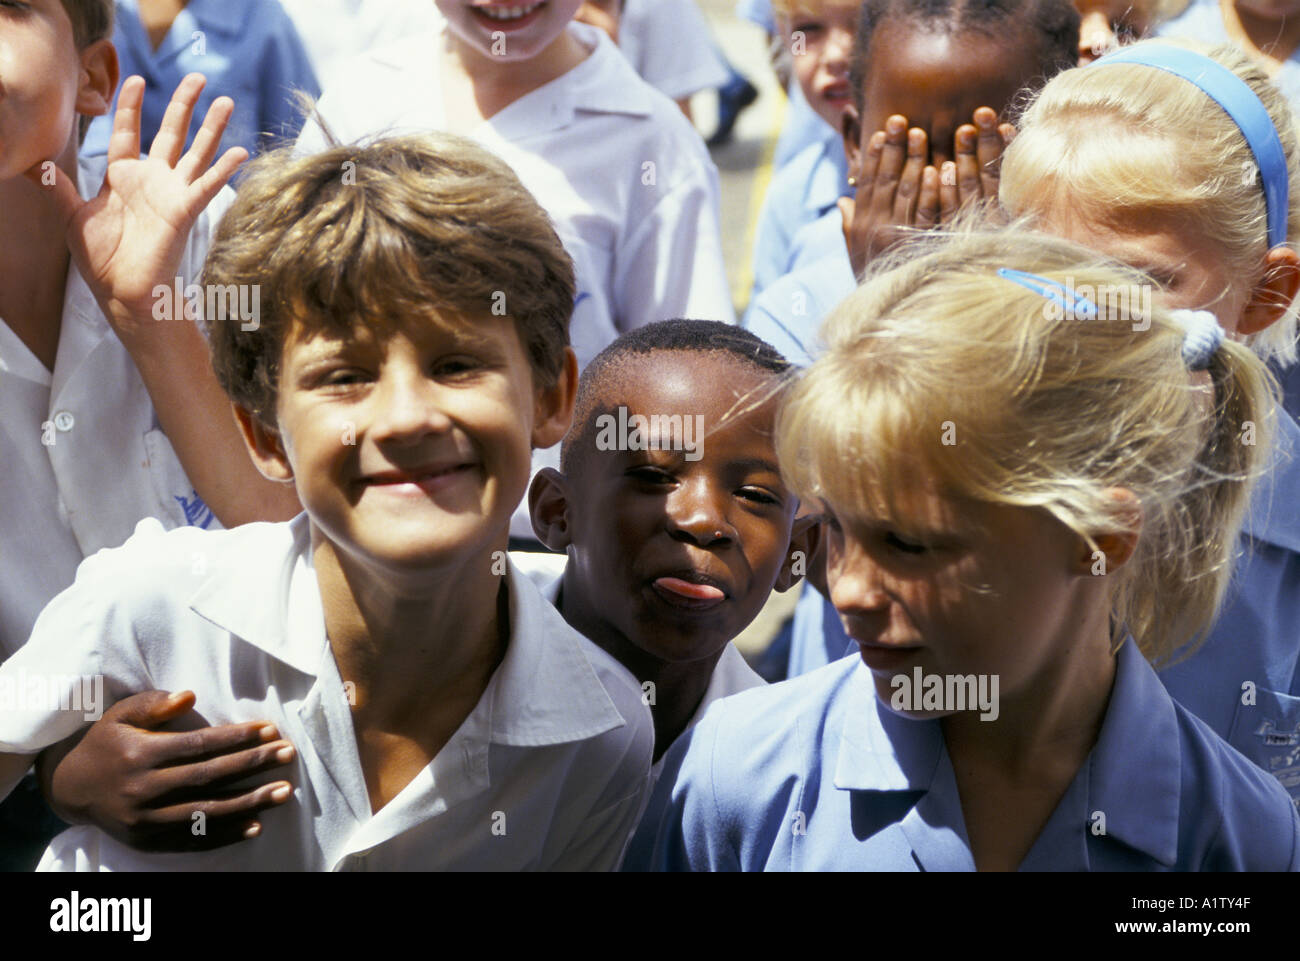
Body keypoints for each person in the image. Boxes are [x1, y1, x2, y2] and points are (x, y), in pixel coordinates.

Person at [0, 133, 654, 871]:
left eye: (457, 364)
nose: (407, 417)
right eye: (343, 376)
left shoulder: (602, 733)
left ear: (551, 396)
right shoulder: (153, 606)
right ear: (264, 434)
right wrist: (55, 768)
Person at [653, 225, 1300, 870]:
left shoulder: (1241, 839)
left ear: (1099, 537)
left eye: (908, 543)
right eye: (837, 530)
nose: (847, 590)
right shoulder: (738, 780)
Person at [0, 0, 298, 867]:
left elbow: (301, 547)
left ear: (93, 78)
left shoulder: (203, 239)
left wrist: (149, 319)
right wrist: (54, 763)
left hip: (265, 763)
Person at [297, 0, 734, 542]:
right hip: (366, 516)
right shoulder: (362, 100)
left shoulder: (651, 142)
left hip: (554, 544)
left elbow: (689, 381)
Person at [999, 38, 1300, 801]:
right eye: (1040, 270)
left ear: (1265, 295)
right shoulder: (953, 468)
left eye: (1135, 281)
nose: (1072, 314)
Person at [83, 0, 320, 160]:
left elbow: (305, 146)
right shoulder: (91, 10)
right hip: (105, 211)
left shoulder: (261, 16)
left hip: (227, 224)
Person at [747, 0, 858, 306]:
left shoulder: (975, 182)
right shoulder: (793, 194)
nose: (837, 55)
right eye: (808, 29)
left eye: (865, 24)